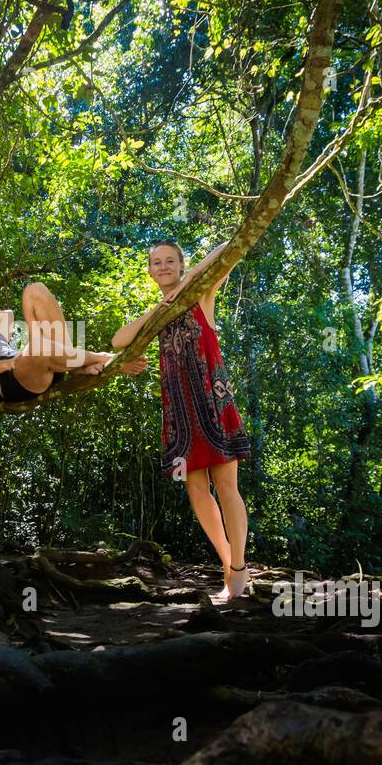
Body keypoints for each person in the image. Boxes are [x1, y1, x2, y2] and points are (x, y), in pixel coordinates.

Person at [112, 240, 253, 602]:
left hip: (212, 401)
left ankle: (238, 569)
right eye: (156, 263)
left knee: (226, 485)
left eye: (170, 261)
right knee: (195, 490)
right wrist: (160, 308)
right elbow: (119, 340)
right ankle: (228, 566)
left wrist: (189, 280)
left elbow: (225, 252)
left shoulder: (199, 295)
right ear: (149, 271)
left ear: (181, 265)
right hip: (180, 411)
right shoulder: (158, 314)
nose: (163, 267)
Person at [0, 282, 146, 404]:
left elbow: (6, 315)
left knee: (35, 290)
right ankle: (107, 358)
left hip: (38, 360)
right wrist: (10, 363)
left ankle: (72, 365)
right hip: (14, 381)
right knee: (37, 347)